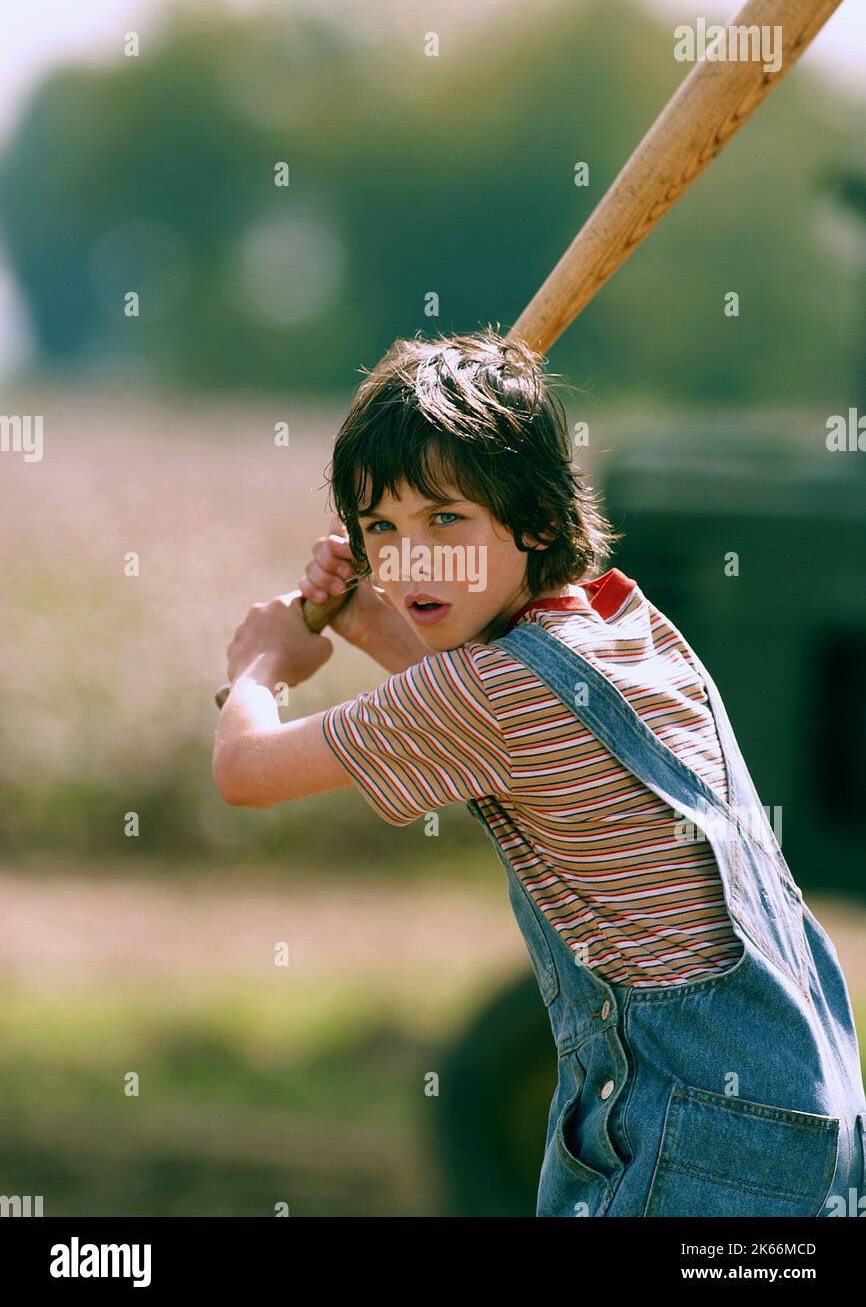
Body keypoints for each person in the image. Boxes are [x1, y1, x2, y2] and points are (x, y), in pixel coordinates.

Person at [212, 326, 866, 1217]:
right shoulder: (620, 625)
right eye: (382, 528)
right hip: (802, 1121)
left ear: (543, 519)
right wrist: (366, 617)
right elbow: (486, 717)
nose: (417, 560)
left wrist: (263, 664)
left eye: (447, 518)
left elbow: (247, 770)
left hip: (691, 1143)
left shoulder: (493, 690)